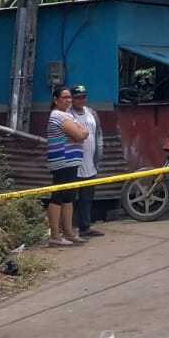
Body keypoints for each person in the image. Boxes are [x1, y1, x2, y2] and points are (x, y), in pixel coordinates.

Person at [45, 87, 88, 247]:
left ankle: (69, 232)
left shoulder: (68, 115)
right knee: (58, 196)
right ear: (56, 100)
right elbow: (79, 134)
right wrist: (78, 134)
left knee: (69, 196)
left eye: (69, 97)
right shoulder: (57, 115)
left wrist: (79, 134)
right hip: (62, 160)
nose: (68, 100)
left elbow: (85, 133)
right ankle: (55, 234)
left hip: (72, 161)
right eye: (64, 97)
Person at [71, 85, 105, 239]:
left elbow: (98, 135)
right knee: (69, 198)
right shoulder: (67, 115)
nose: (80, 100)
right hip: (73, 163)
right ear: (72, 98)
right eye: (77, 97)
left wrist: (99, 153)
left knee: (87, 198)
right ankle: (68, 229)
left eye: (83, 97)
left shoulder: (91, 113)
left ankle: (85, 227)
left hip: (90, 162)